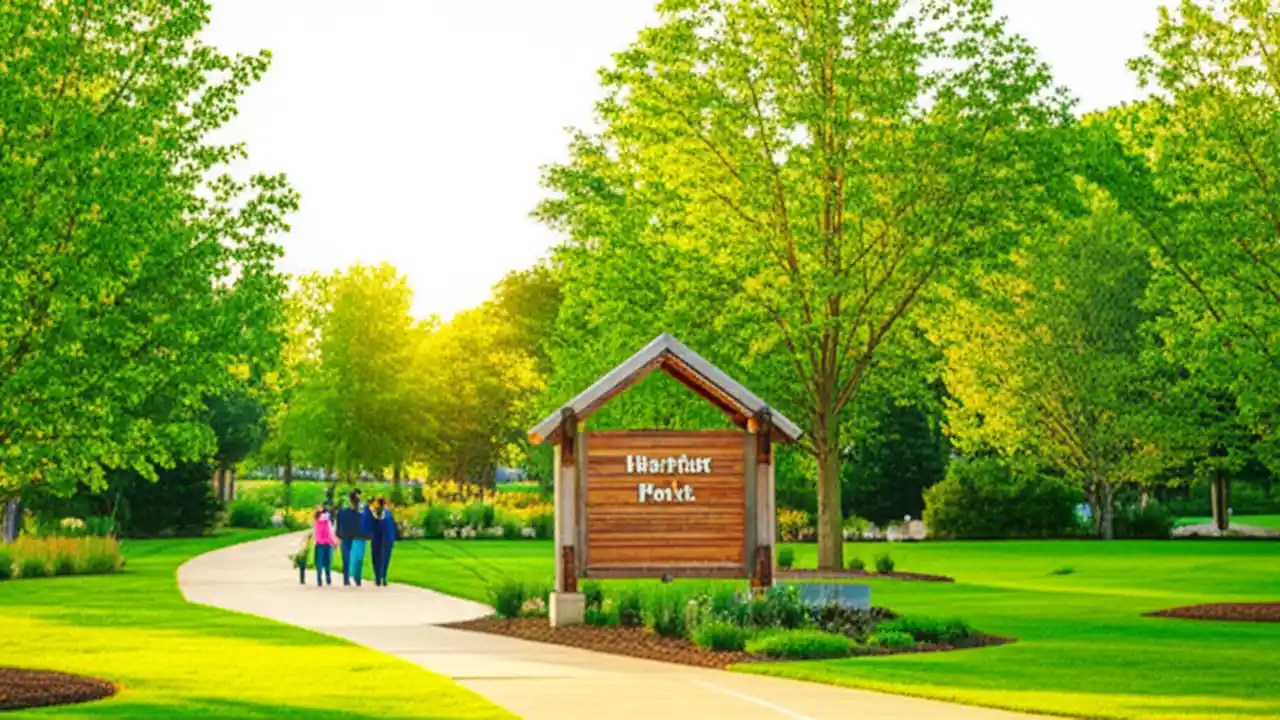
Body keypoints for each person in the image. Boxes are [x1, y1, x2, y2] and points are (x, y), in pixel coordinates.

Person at [337, 490, 368, 587]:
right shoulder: (344, 512)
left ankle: (356, 578)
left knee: (357, 559)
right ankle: (347, 579)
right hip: (347, 538)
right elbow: (339, 526)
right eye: (356, 499)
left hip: (357, 538)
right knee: (347, 559)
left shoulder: (362, 513)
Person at [365, 497, 398, 587]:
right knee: (385, 558)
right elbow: (393, 526)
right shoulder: (388, 514)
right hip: (386, 539)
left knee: (377, 558)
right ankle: (383, 576)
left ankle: (378, 577)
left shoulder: (375, 513)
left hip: (378, 538)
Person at [312, 505, 338, 586]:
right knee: (328, 562)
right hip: (328, 544)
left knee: (319, 563)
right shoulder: (327, 521)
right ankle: (328, 579)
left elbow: (316, 534)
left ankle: (319, 580)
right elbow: (330, 534)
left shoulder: (316, 521)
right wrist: (334, 543)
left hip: (319, 544)